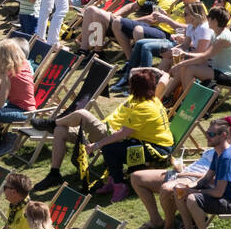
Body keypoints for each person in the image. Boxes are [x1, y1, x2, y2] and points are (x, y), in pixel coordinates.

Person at [33, 67, 173, 205]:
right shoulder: (147, 95)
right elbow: (144, 72)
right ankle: (54, 173)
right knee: (60, 130)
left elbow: (123, 133)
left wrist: (97, 145)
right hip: (109, 129)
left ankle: (51, 123)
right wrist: (160, 71)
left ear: (134, 87)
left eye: (130, 84)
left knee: (82, 114)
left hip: (140, 143)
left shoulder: (146, 106)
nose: (128, 85)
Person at [167, 116, 231, 229]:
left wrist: (193, 191)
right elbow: (207, 177)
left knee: (192, 198)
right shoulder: (219, 152)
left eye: (211, 135)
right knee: (178, 190)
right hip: (223, 196)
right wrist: (188, 188)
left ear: (223, 135)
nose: (207, 137)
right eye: (207, 133)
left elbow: (218, 192)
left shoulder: (227, 158)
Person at [167, 6, 231, 96]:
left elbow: (204, 57)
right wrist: (183, 60)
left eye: (209, 17)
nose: (206, 19)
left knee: (190, 69)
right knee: (186, 66)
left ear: (215, 21)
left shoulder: (223, 38)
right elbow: (203, 55)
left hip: (230, 76)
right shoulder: (216, 33)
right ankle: (184, 97)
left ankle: (189, 100)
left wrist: (181, 61)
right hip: (217, 69)